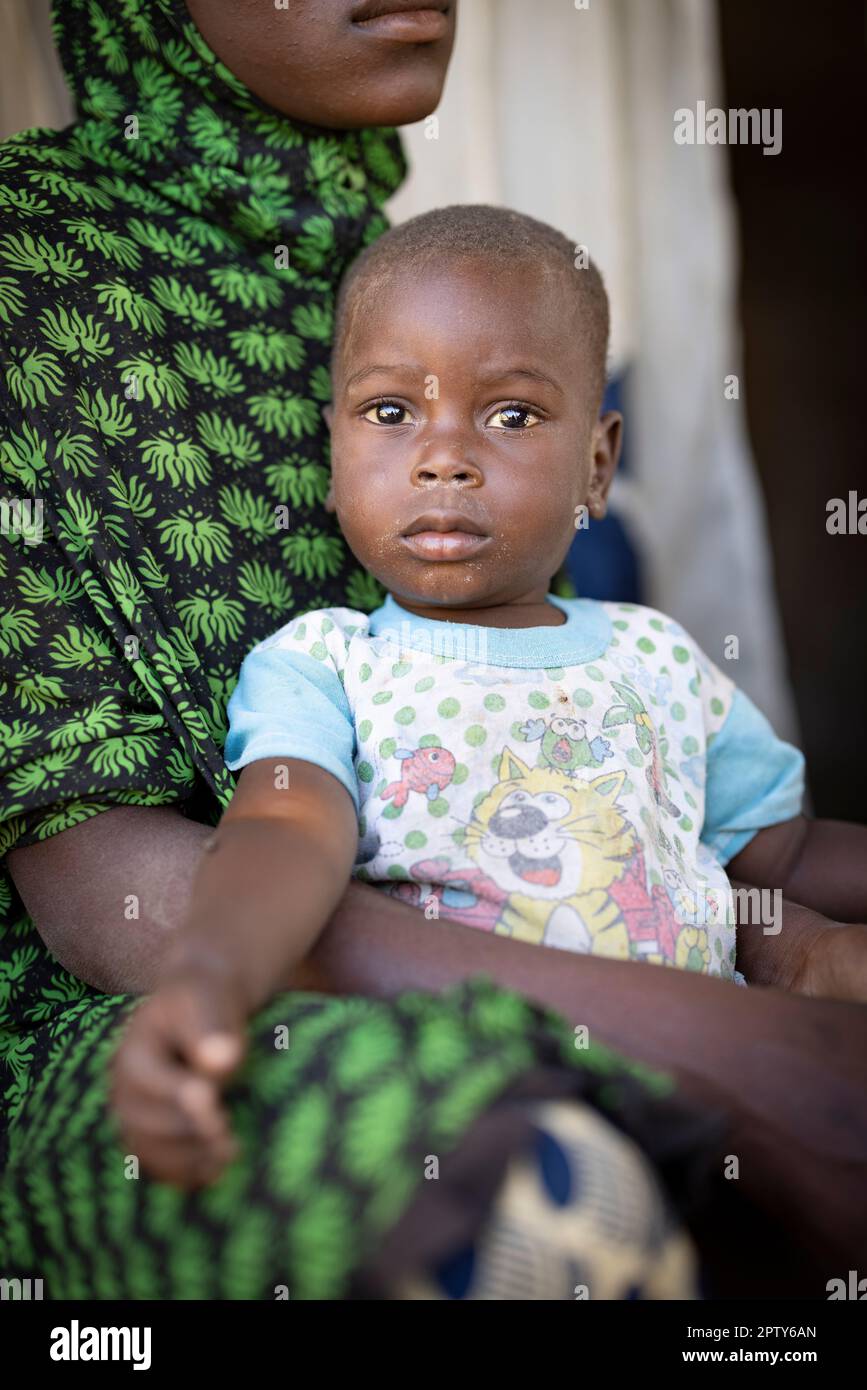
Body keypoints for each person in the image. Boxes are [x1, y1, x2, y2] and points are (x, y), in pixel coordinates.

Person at [1, 2, 865, 1299]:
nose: (446, 454)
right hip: (164, 1011)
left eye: (509, 413)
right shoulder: (31, 271)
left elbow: (695, 822)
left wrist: (789, 953)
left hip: (591, 951)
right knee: (521, 1186)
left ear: (594, 462)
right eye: (389, 412)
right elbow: (113, 893)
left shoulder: (432, 287)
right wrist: (737, 1042)